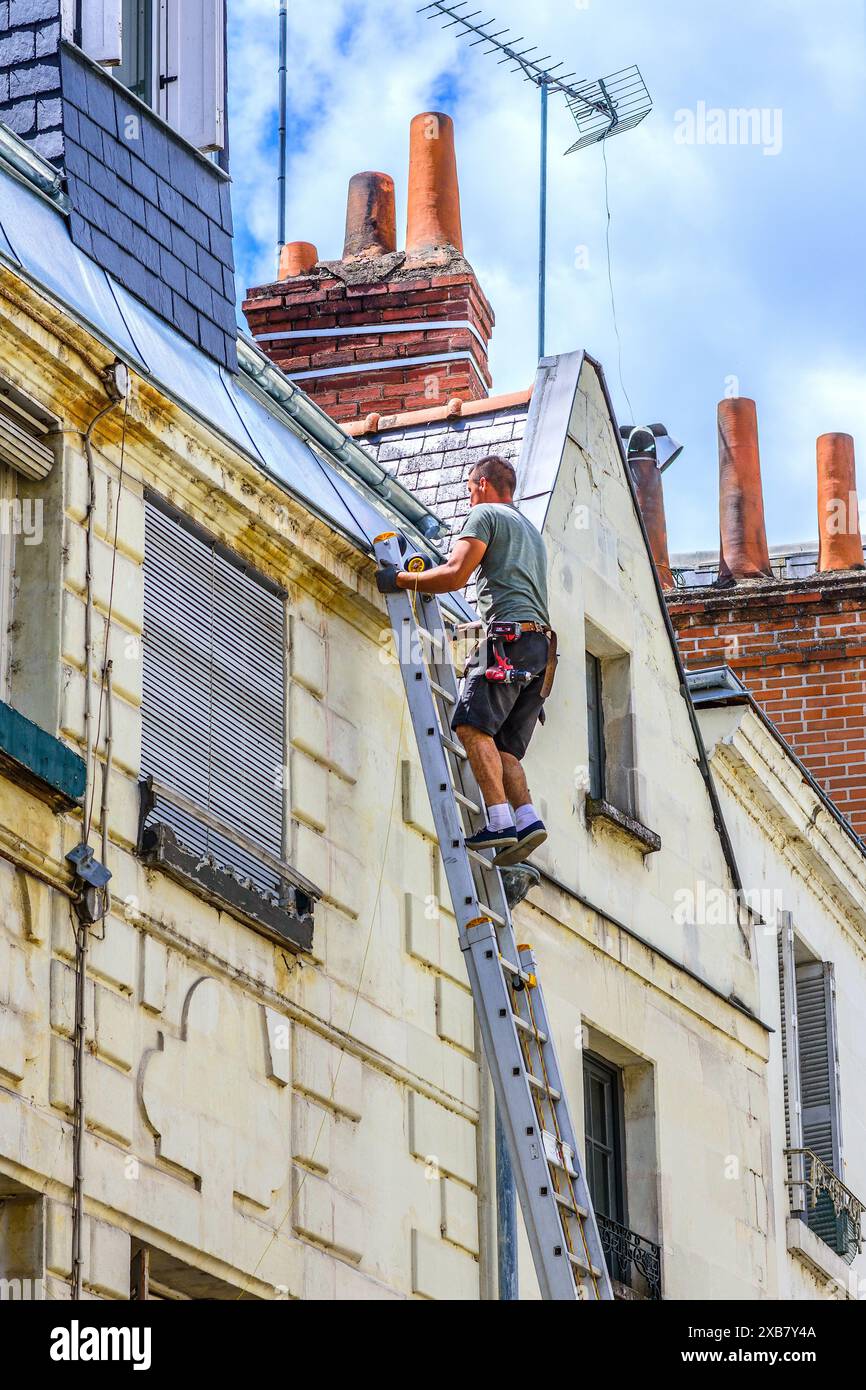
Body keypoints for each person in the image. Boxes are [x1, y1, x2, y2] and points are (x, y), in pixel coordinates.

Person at [377, 455, 555, 867]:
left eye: (468, 489)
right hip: (540, 652)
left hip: (509, 643)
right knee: (505, 747)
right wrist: (475, 628)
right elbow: (517, 598)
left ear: (481, 484)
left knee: (471, 727)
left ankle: (498, 821)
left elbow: (455, 574)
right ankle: (526, 818)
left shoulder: (485, 516)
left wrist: (401, 579)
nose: (468, 498)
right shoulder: (530, 532)